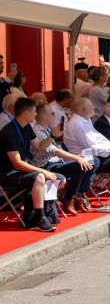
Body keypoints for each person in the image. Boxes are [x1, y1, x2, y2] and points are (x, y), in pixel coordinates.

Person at [0, 97, 66, 231]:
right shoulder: (9, 131)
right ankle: (41, 219)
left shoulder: (27, 128)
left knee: (61, 180)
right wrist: (44, 171)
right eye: (34, 112)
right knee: (41, 177)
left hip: (21, 171)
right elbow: (17, 163)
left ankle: (34, 208)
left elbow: (40, 146)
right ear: (26, 113)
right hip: (7, 173)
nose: (36, 114)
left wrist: (52, 136)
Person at [63, 98, 110, 206]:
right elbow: (93, 147)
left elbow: (101, 139)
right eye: (91, 106)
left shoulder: (85, 121)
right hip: (84, 160)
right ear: (84, 110)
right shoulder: (78, 124)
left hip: (94, 157)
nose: (94, 107)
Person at [31, 102, 95, 215]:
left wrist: (75, 157)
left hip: (54, 162)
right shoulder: (37, 132)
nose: (54, 116)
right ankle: (69, 197)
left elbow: (55, 150)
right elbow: (54, 151)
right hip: (45, 166)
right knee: (80, 166)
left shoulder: (46, 130)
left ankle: (76, 193)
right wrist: (75, 158)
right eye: (52, 114)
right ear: (43, 116)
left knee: (91, 161)